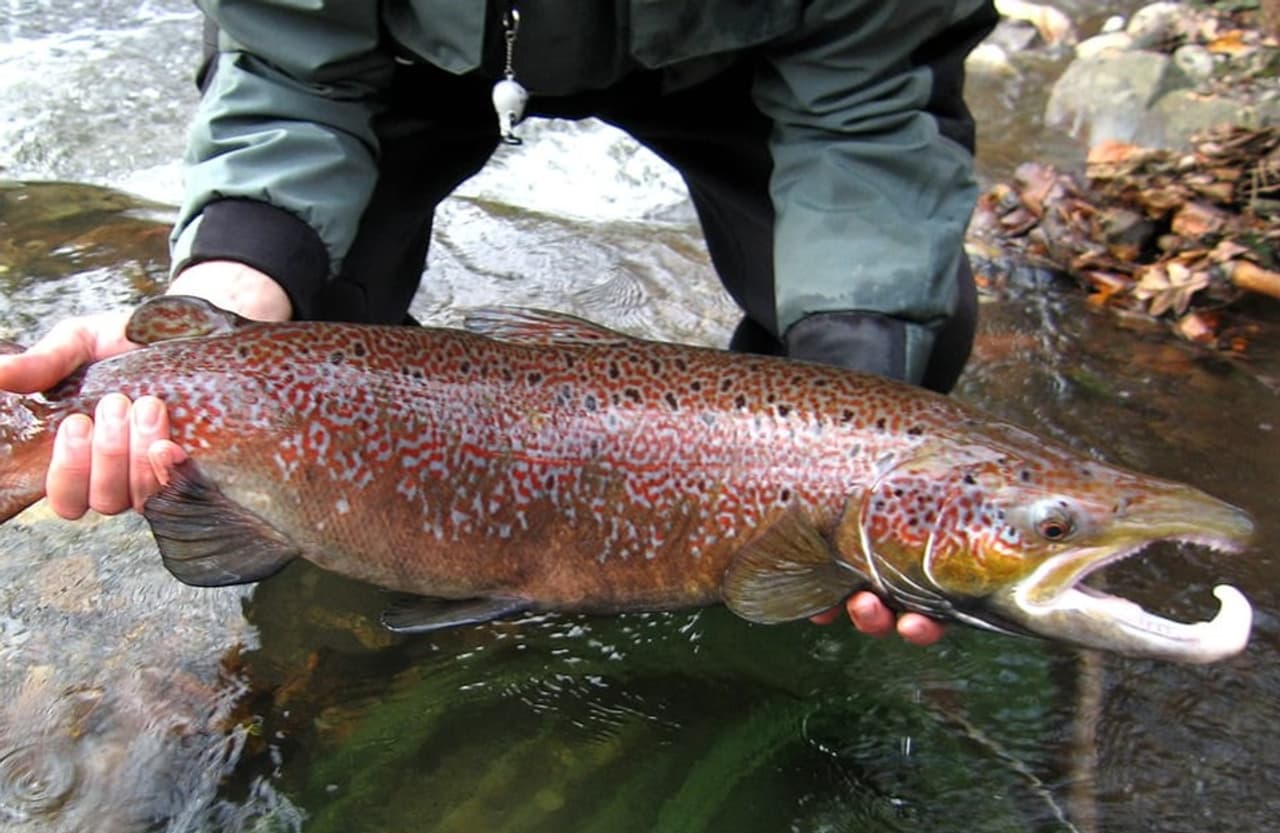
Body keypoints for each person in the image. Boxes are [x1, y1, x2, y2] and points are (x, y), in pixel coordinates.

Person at [0, 0, 1000, 644]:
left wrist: (849, 408)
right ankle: (325, 564)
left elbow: (868, 121)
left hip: (740, 57)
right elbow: (293, 80)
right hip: (396, 53)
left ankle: (776, 551)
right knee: (312, 314)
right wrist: (221, 310)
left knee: (907, 329)